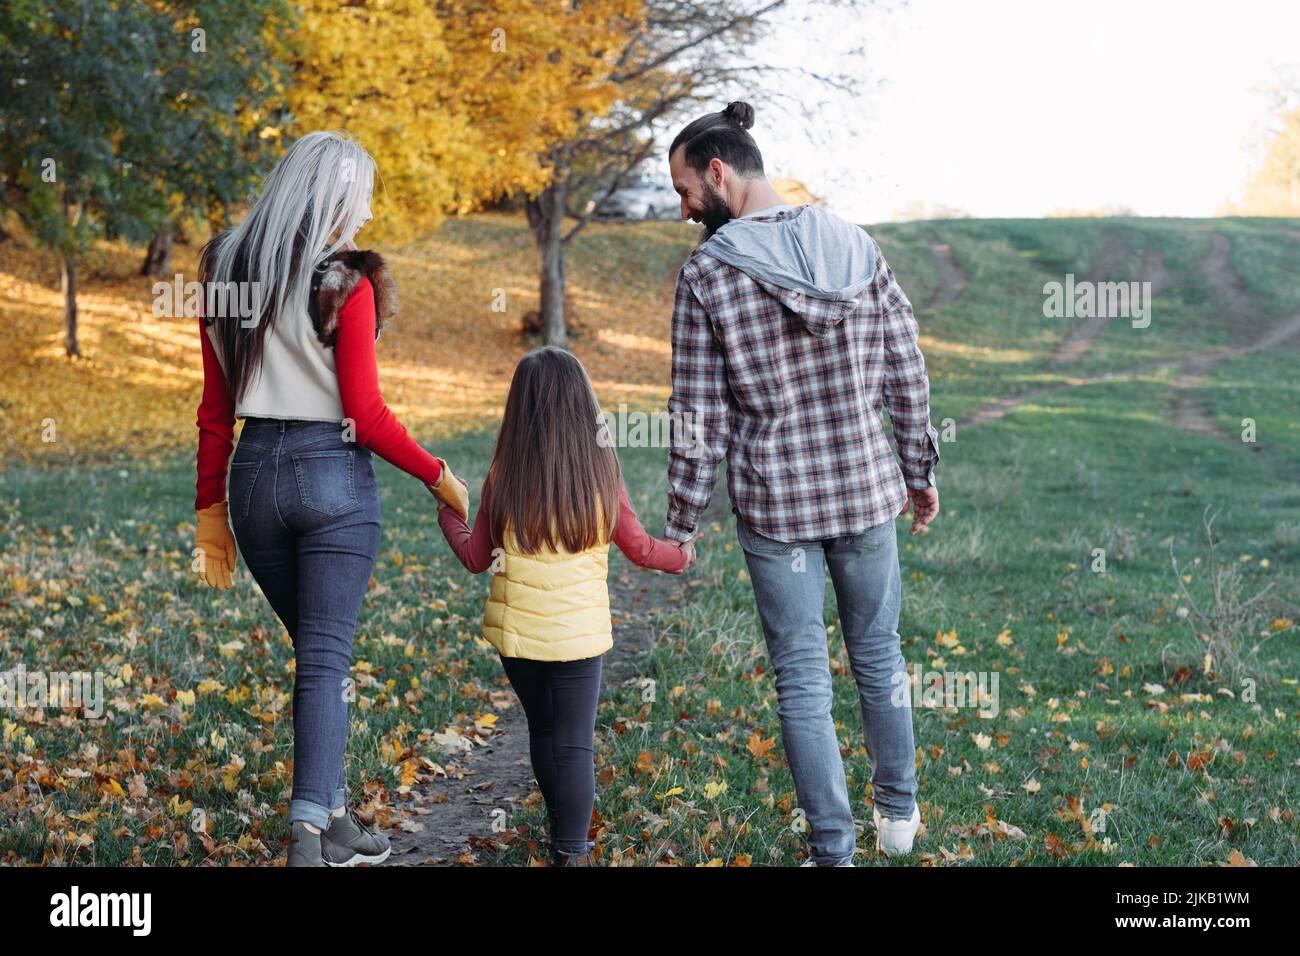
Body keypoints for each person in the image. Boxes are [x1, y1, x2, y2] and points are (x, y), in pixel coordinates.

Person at [662, 101, 941, 865]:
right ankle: (899, 818)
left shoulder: (708, 276)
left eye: (686, 190)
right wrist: (917, 470)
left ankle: (832, 848)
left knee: (801, 681)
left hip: (778, 508)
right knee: (879, 657)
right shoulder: (855, 245)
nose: (685, 211)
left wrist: (681, 525)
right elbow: (906, 368)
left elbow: (696, 416)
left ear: (719, 173)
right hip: (864, 494)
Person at [191, 130, 469, 867]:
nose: (366, 217)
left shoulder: (224, 271)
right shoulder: (346, 281)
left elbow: (215, 409)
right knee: (323, 660)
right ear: (334, 198)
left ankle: (338, 820)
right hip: (332, 475)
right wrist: (443, 478)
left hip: (252, 482)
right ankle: (309, 835)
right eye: (361, 200)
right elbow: (367, 417)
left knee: (320, 657)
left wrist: (210, 514)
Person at [437, 346, 697, 866]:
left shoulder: (504, 479)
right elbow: (641, 548)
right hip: (579, 637)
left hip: (520, 639)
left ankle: (563, 830)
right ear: (585, 407)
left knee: (544, 730)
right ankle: (571, 852)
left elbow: (472, 556)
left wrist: (450, 511)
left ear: (518, 410)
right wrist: (682, 557)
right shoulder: (602, 478)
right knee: (575, 743)